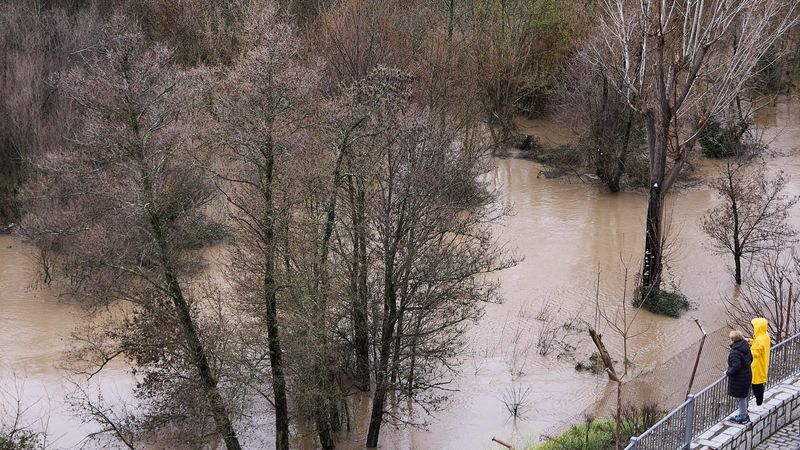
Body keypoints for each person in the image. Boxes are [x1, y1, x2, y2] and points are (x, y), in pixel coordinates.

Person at [726, 330, 752, 424]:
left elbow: (735, 367)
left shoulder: (735, 352)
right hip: (747, 374)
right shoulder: (745, 345)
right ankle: (743, 414)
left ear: (733, 339)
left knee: (740, 397)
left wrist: (728, 372)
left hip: (739, 378)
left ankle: (743, 417)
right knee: (744, 395)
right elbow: (751, 359)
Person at [750, 317, 771, 406]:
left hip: (757, 364)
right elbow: (759, 346)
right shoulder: (765, 335)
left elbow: (755, 353)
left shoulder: (759, 340)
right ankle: (759, 401)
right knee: (759, 384)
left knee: (756, 384)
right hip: (763, 362)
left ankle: (759, 402)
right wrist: (751, 341)